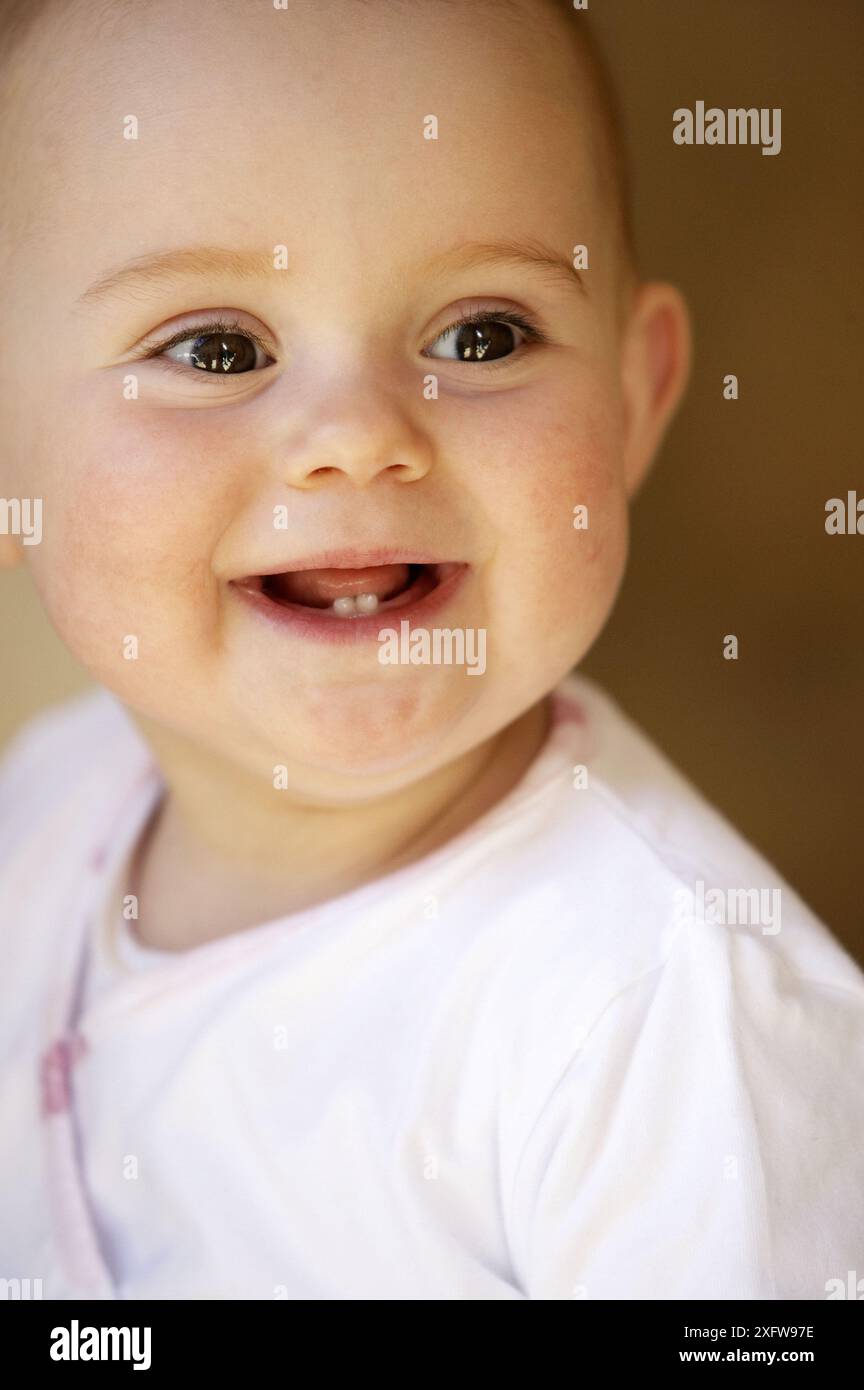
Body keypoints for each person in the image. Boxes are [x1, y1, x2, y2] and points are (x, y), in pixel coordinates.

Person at [0, 0, 861, 1300]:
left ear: (633, 406)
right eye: (217, 348)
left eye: (483, 334)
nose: (357, 432)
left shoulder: (657, 1021)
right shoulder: (48, 802)